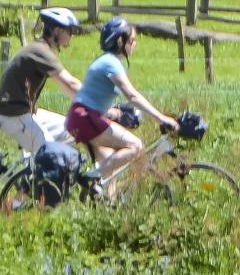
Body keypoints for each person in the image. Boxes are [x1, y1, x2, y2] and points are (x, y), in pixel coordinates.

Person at [66, 16, 177, 198]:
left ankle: (107, 202)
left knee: (112, 161)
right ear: (121, 41)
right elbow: (132, 95)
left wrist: (118, 113)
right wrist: (162, 118)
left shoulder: (106, 61)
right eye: (132, 40)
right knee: (136, 146)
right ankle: (90, 178)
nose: (135, 45)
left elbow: (98, 96)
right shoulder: (111, 63)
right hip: (86, 118)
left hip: (81, 117)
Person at [0, 7, 84, 155]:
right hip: (12, 116)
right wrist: (97, 102)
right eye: (70, 31)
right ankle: (40, 171)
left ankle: (36, 168)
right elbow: (69, 83)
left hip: (24, 113)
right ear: (57, 30)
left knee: (72, 128)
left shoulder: (40, 48)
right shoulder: (40, 51)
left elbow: (67, 88)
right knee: (52, 154)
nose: (72, 35)